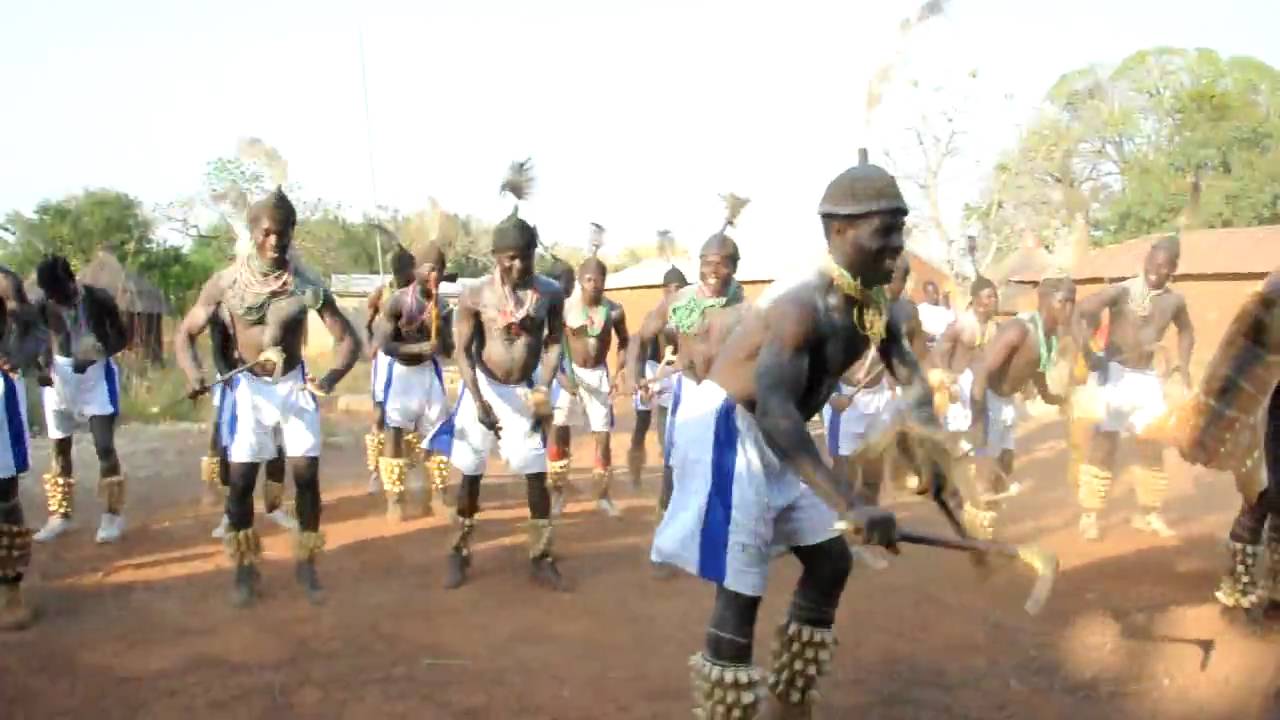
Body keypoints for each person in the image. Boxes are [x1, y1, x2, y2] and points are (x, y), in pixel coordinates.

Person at [654, 156, 941, 718]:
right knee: (742, 588)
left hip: (775, 434)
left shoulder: (876, 303)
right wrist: (850, 500)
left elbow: (908, 374)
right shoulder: (800, 306)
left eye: (900, 228)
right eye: (885, 229)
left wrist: (932, 449)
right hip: (727, 430)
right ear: (839, 232)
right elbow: (779, 414)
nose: (896, 244)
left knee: (831, 563)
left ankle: (791, 702)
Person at [175, 187, 360, 607]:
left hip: (295, 387)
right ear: (253, 232)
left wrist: (329, 379)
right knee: (240, 482)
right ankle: (244, 568)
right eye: (267, 232)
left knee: (306, 477)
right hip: (247, 392)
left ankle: (307, 562)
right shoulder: (224, 283)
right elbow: (185, 334)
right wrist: (193, 373)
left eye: (284, 233)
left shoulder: (306, 284)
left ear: (293, 232)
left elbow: (348, 339)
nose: (275, 242)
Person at [444, 166, 567, 591]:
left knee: (536, 474)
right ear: (496, 258)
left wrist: (542, 389)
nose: (518, 265)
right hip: (483, 388)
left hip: (523, 393)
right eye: (510, 258)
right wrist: (477, 401)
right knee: (472, 474)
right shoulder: (475, 294)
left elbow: (553, 342)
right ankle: (458, 549)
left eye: (526, 257)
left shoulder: (549, 292)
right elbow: (461, 349)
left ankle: (541, 554)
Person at [1173, 270, 1280, 621]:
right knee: (1263, 496)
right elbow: (1243, 351)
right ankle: (1240, 589)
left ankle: (1275, 590)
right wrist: (1213, 421)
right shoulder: (1276, 285)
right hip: (1269, 402)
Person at [1075, 234, 1194, 541]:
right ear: (1146, 260)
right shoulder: (1122, 291)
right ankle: (1090, 514)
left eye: (1163, 266)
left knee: (1152, 443)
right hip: (1113, 373)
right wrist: (1087, 351)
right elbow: (1084, 310)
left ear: (1173, 269)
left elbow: (1186, 331)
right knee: (1105, 442)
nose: (1155, 269)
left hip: (1147, 378)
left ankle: (1148, 513)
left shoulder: (1174, 301)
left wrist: (1182, 364)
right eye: (1152, 262)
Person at [821, 254, 914, 571]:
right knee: (843, 473)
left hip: (879, 400)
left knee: (873, 473)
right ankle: (837, 538)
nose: (892, 284)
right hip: (844, 400)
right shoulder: (849, 308)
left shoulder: (905, 313)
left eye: (898, 277)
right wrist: (833, 393)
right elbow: (823, 353)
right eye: (887, 276)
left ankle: (866, 537)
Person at [965, 277, 1076, 538]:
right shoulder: (1018, 329)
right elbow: (981, 372)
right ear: (1046, 301)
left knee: (1005, 464)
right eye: (1063, 302)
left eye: (1073, 302)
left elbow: (1035, 370)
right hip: (984, 395)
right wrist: (978, 423)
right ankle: (977, 535)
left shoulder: (1050, 337)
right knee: (986, 465)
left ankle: (986, 516)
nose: (1068, 309)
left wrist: (1054, 398)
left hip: (1005, 401)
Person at [31, 255, 129, 545]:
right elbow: (37, 340)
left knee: (104, 447)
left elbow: (122, 338)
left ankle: (112, 515)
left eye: (60, 293)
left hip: (95, 376)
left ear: (72, 282)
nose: (56, 300)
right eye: (51, 295)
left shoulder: (99, 299)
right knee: (60, 448)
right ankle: (60, 515)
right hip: (59, 376)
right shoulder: (43, 305)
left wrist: (97, 354)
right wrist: (40, 367)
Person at [372, 241, 454, 522]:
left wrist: (441, 334)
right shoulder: (397, 301)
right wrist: (416, 349)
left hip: (429, 375)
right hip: (402, 375)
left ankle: (440, 495)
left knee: (440, 432)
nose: (436, 274)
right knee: (395, 432)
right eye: (431, 267)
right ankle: (395, 498)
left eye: (441, 269)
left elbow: (450, 349)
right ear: (416, 269)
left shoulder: (443, 306)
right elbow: (385, 344)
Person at [548, 256, 629, 518]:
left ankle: (603, 496)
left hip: (598, 377)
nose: (594, 284)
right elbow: (549, 344)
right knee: (559, 430)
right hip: (569, 376)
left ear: (606, 281)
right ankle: (558, 493)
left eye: (599, 279)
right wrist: (560, 377)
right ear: (581, 281)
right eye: (589, 279)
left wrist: (619, 373)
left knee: (602, 436)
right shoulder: (565, 309)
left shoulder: (614, 310)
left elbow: (624, 342)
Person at [205, 307, 295, 539]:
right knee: (228, 446)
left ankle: (274, 507)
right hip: (233, 380)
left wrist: (275, 366)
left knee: (277, 444)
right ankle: (231, 512)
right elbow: (218, 350)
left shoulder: (274, 302)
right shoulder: (222, 307)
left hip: (272, 379)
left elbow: (286, 345)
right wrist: (232, 378)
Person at [0, 266, 50, 630]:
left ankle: (9, 594)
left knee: (4, 496)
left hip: (1, 401)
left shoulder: (8, 287)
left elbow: (37, 331)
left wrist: (17, 358)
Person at [627, 266, 687, 499]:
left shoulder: (691, 313)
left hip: (674, 374)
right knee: (642, 423)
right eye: (670, 289)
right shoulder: (655, 316)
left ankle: (669, 482)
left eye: (680, 288)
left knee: (668, 425)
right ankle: (635, 467)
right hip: (651, 370)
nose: (675, 293)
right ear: (663, 291)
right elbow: (639, 346)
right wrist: (638, 379)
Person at [364, 245, 417, 495]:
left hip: (410, 361)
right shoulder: (380, 293)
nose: (403, 272)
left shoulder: (417, 294)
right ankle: (376, 470)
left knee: (409, 418)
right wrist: (372, 345)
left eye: (406, 267)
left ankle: (405, 470)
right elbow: (368, 323)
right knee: (380, 414)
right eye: (399, 267)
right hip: (385, 360)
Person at [931, 276, 1000, 451]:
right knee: (956, 443)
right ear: (976, 299)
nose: (994, 300)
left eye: (995, 297)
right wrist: (948, 380)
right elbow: (939, 353)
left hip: (983, 391)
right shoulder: (961, 324)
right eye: (989, 296)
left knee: (982, 441)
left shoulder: (995, 327)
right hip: (958, 390)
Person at [916, 279, 955, 347]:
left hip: (940, 345)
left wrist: (947, 304)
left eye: (936, 293)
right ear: (926, 294)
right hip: (924, 345)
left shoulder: (944, 309)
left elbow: (952, 321)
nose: (935, 296)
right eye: (931, 294)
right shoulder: (920, 309)